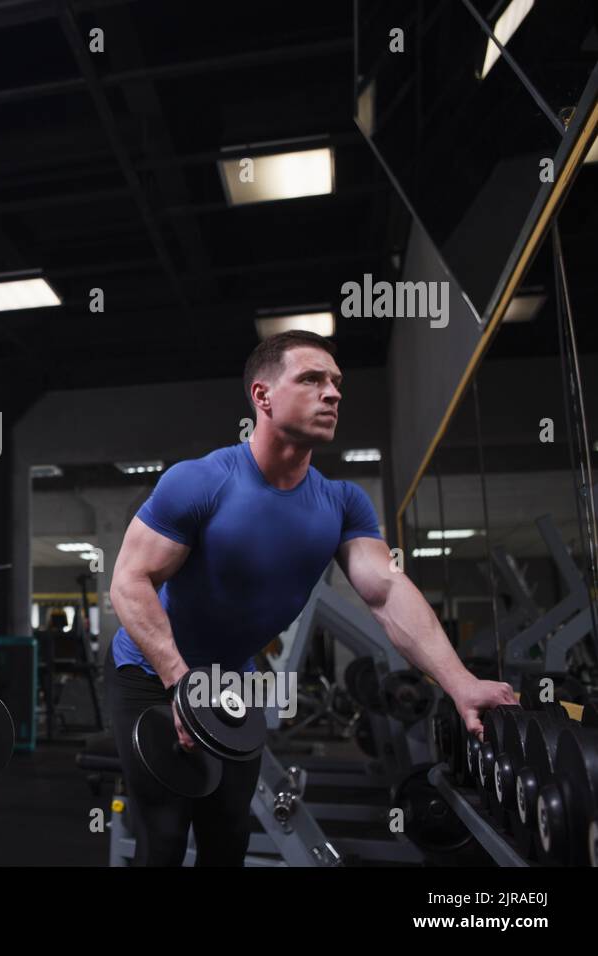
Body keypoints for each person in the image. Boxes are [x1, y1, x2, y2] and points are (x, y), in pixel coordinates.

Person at [106, 329, 516, 866]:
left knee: (227, 836)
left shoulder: (343, 503)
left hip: (233, 683)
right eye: (312, 379)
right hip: (151, 675)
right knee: (162, 838)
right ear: (262, 396)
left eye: (337, 383)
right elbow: (128, 581)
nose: (333, 393)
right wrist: (180, 683)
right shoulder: (201, 480)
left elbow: (387, 590)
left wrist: (460, 683)